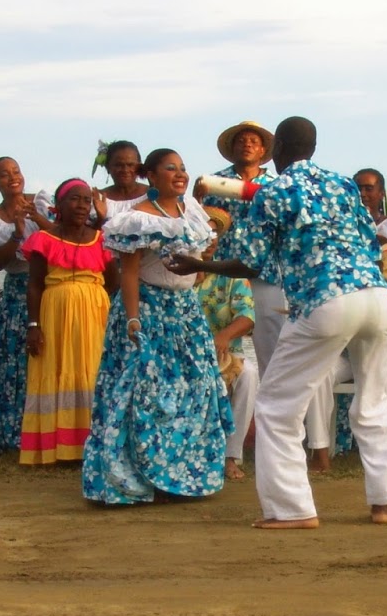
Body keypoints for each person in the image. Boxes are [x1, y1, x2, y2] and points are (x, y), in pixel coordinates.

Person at [173, 116, 387, 527]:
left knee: (277, 406)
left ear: (276, 150)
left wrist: (197, 262)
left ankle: (292, 509)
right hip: (377, 297)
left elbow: (249, 261)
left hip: (326, 300)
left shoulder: (274, 192)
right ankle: (382, 502)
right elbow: (372, 242)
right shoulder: (346, 185)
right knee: (373, 400)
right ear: (313, 148)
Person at [83, 149, 230, 504]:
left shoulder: (193, 213)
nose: (179, 174)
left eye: (182, 168)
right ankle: (134, 478)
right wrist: (133, 318)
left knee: (194, 389)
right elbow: (128, 272)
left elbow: (195, 271)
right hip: (147, 310)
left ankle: (181, 476)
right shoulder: (136, 219)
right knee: (144, 393)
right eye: (170, 168)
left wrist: (199, 269)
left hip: (186, 312)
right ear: (150, 175)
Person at [305, 166, 387, 469]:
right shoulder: (336, 237)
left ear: (380, 193)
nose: (363, 194)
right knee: (319, 371)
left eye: (369, 188)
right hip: (339, 341)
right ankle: (320, 451)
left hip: (374, 333)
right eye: (358, 188)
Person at [19, 178, 119, 465]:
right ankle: (57, 447)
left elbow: (112, 282)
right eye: (75, 199)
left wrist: (90, 299)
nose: (82, 205)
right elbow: (35, 285)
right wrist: (33, 326)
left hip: (94, 314)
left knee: (92, 371)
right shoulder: (44, 239)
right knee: (58, 369)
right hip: (55, 314)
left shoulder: (102, 238)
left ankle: (90, 443)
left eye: (86, 200)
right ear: (58, 205)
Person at [202, 121, 287, 373]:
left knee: (271, 343)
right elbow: (204, 220)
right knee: (223, 340)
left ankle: (272, 407)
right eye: (241, 141)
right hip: (225, 273)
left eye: (253, 141)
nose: (247, 145)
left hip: (265, 271)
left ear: (263, 150)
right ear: (233, 148)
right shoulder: (216, 182)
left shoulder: (276, 185)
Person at [0, 156, 47, 450]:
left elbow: (62, 238)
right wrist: (17, 233)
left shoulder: (42, 204)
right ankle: (15, 432)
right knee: (15, 361)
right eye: (4, 175)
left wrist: (38, 219)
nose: (13, 178)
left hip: (48, 288)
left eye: (16, 171)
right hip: (17, 290)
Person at [196, 207, 258, 481]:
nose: (209, 239)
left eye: (213, 233)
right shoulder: (172, 275)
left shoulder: (229, 275)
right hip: (183, 356)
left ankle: (230, 456)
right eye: (202, 233)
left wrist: (223, 336)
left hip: (226, 354)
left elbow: (247, 316)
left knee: (249, 377)